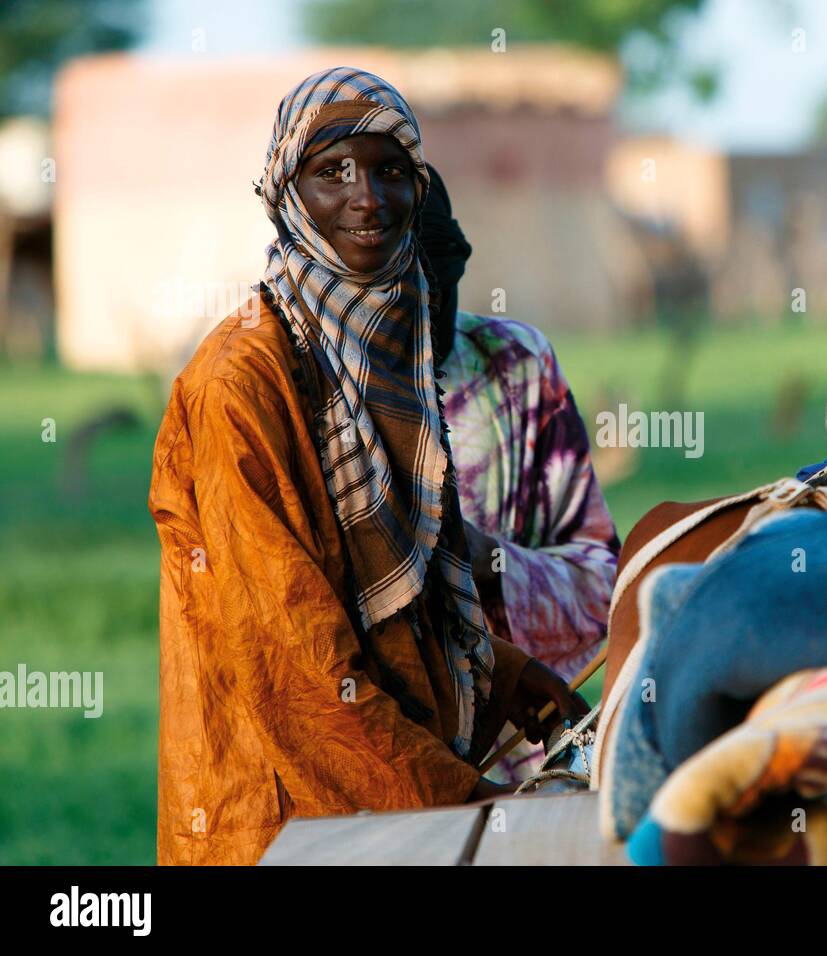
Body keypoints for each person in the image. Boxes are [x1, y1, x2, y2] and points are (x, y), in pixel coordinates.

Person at [148, 67, 587, 865]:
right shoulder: (239, 383)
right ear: (287, 194)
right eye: (332, 173)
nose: (367, 200)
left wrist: (507, 672)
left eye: (390, 170)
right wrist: (468, 808)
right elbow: (296, 664)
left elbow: (399, 583)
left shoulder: (391, 341)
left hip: (386, 799)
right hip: (278, 814)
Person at [415, 179, 621, 784]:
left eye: (444, 285)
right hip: (367, 772)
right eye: (402, 295)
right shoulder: (302, 389)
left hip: (522, 770)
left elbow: (603, 585)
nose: (429, 312)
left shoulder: (513, 364)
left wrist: (491, 563)